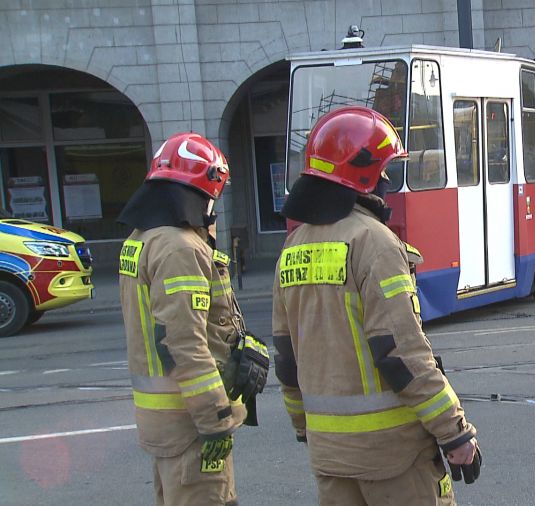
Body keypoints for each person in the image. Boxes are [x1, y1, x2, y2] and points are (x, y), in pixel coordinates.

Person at [272, 106, 482, 505]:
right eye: (384, 170)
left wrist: (304, 426)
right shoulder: (374, 242)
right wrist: (454, 431)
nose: (386, 181)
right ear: (363, 174)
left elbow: (286, 358)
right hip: (393, 458)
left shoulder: (292, 248)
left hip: (329, 455)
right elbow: (401, 352)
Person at [118, 132, 269, 506]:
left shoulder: (141, 239)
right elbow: (183, 341)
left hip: (165, 419)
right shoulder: (179, 248)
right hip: (190, 424)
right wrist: (216, 418)